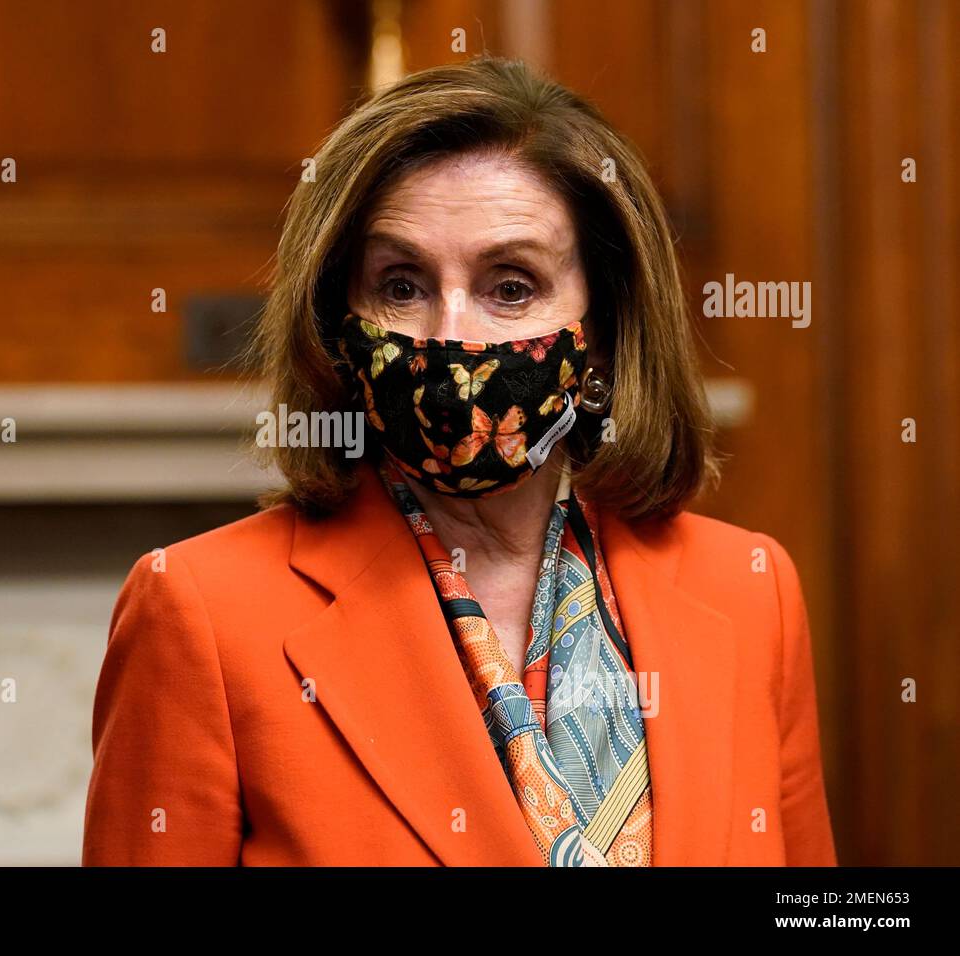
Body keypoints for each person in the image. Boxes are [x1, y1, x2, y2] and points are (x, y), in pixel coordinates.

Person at [82, 56, 836, 867]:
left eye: (510, 287)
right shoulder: (202, 614)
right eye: (401, 285)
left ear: (606, 328)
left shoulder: (752, 591)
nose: (449, 334)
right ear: (339, 322)